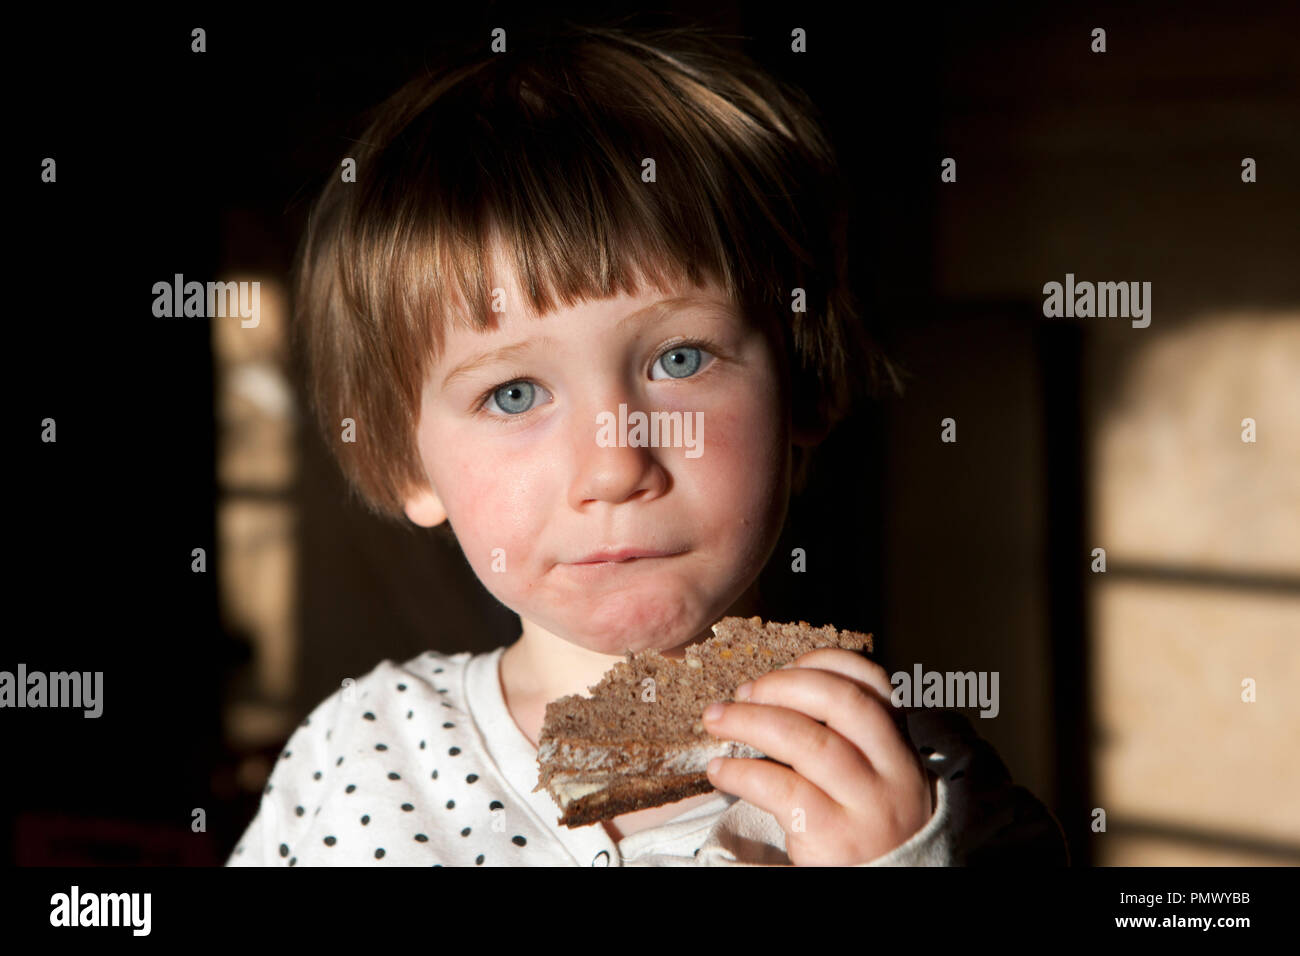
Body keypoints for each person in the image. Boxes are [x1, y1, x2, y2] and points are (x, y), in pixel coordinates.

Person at [228, 22, 1067, 866]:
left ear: (804, 382)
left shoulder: (928, 788)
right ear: (408, 462)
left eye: (680, 358)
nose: (616, 463)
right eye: (512, 393)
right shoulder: (357, 748)